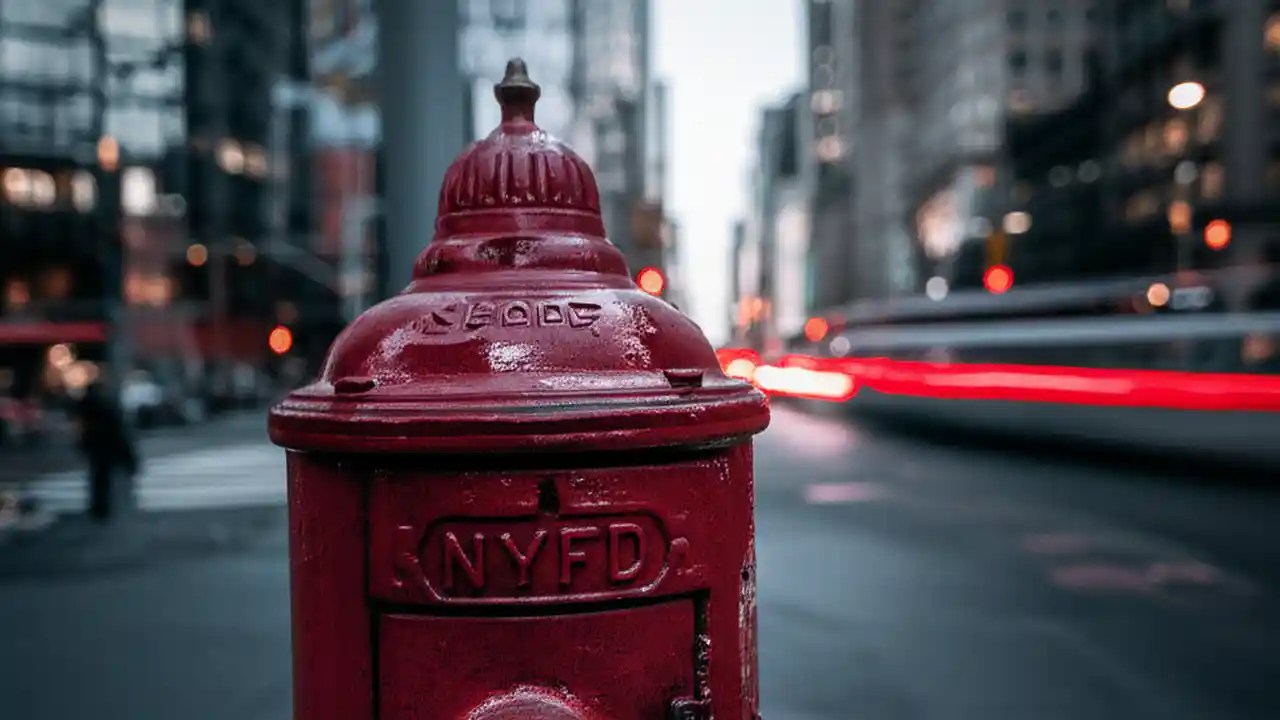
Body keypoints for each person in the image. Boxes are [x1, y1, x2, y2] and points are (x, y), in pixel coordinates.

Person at [75, 378, 139, 521]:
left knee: (98, 477)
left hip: (97, 446)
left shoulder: (87, 408)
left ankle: (99, 507)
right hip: (106, 445)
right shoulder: (105, 407)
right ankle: (101, 507)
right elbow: (116, 429)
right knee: (103, 477)